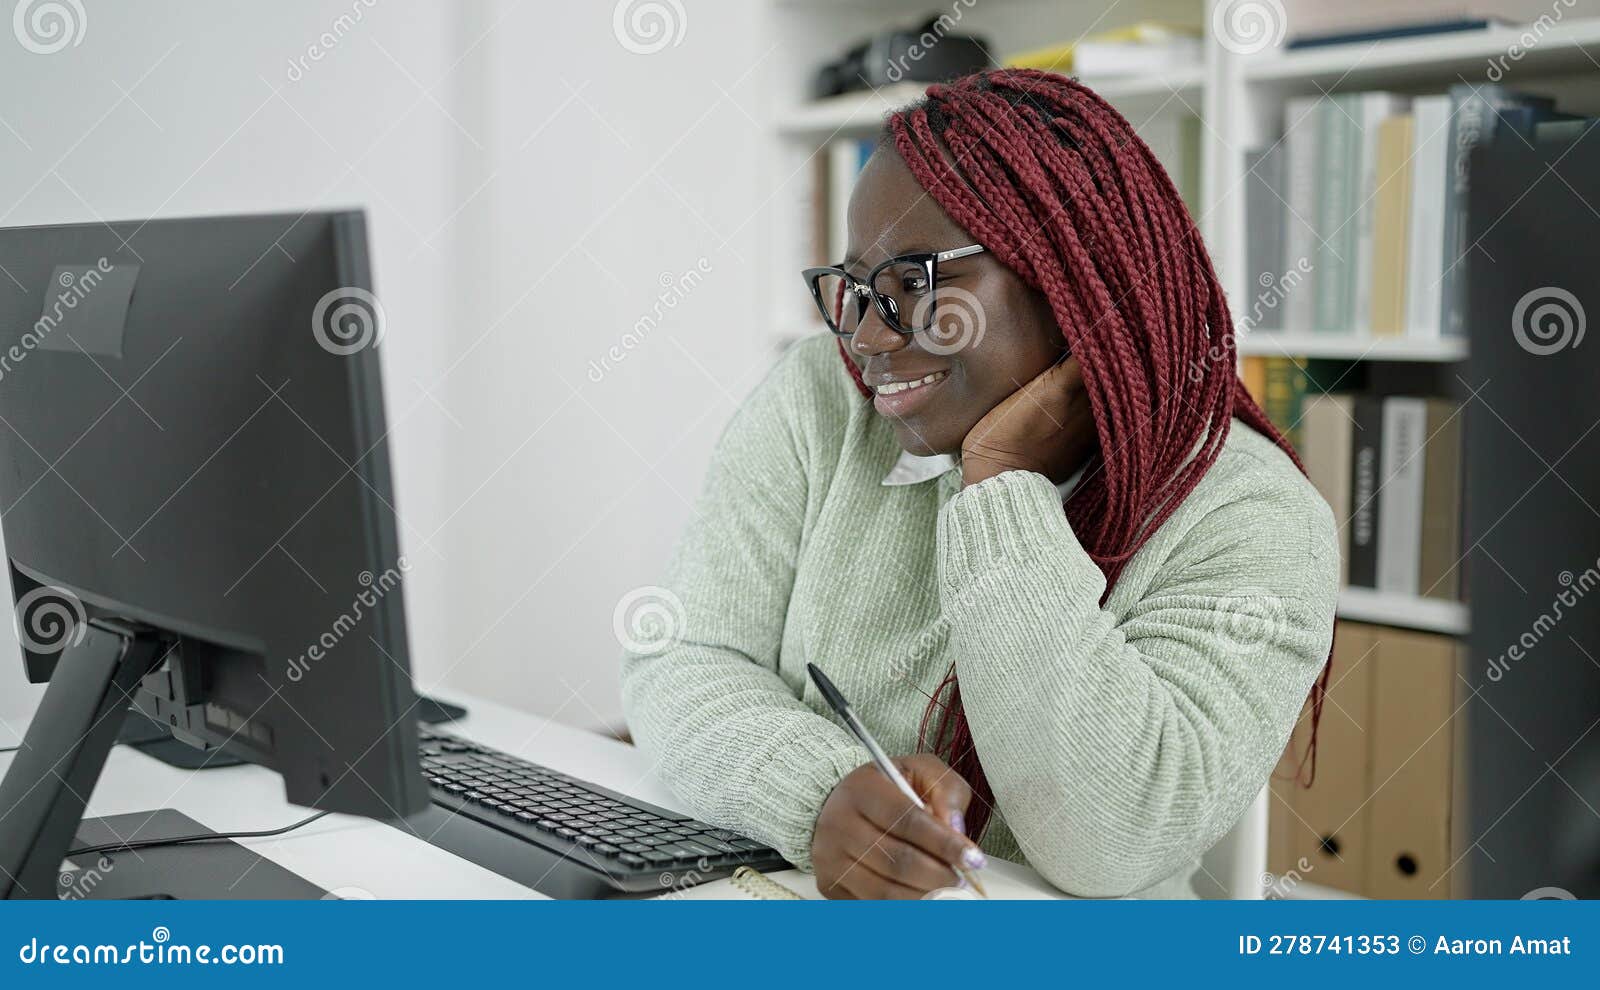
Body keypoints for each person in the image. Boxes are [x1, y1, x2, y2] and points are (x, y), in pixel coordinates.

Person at [621, 69, 1338, 899]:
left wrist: (1000, 489)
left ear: (1073, 276)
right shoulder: (820, 398)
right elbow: (686, 653)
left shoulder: (1254, 516)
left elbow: (1112, 841)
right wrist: (819, 794)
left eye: (914, 283)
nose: (861, 335)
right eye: (854, 289)